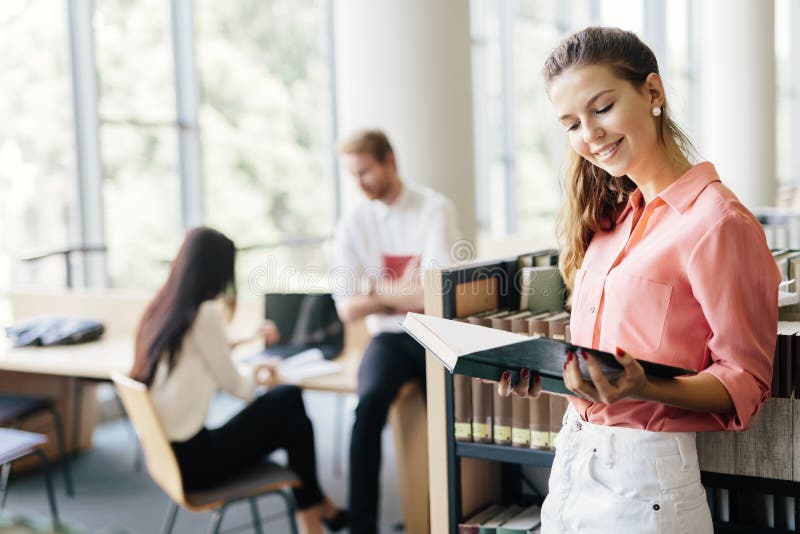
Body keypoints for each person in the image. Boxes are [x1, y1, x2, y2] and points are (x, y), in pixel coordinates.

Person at [497, 27, 781, 533]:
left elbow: (746, 384)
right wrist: (546, 377)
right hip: (571, 466)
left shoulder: (719, 223)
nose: (589, 134)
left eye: (602, 108)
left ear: (653, 93)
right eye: (571, 123)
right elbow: (602, 368)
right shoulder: (610, 223)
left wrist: (643, 386)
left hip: (648, 488)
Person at [130, 227, 346, 534]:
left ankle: (318, 516)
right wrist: (261, 372)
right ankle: (317, 514)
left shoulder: (161, 310)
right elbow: (241, 390)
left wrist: (246, 341)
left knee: (296, 424)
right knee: (288, 398)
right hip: (198, 465)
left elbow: (201, 352)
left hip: (171, 458)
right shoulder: (204, 314)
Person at [333, 129, 461, 533]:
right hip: (389, 337)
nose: (359, 183)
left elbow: (435, 295)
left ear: (389, 160)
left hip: (433, 332)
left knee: (452, 418)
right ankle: (362, 527)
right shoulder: (354, 222)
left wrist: (373, 288)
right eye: (352, 175)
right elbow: (346, 308)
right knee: (367, 407)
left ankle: (451, 517)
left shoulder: (433, 209)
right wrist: (399, 292)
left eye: (365, 172)